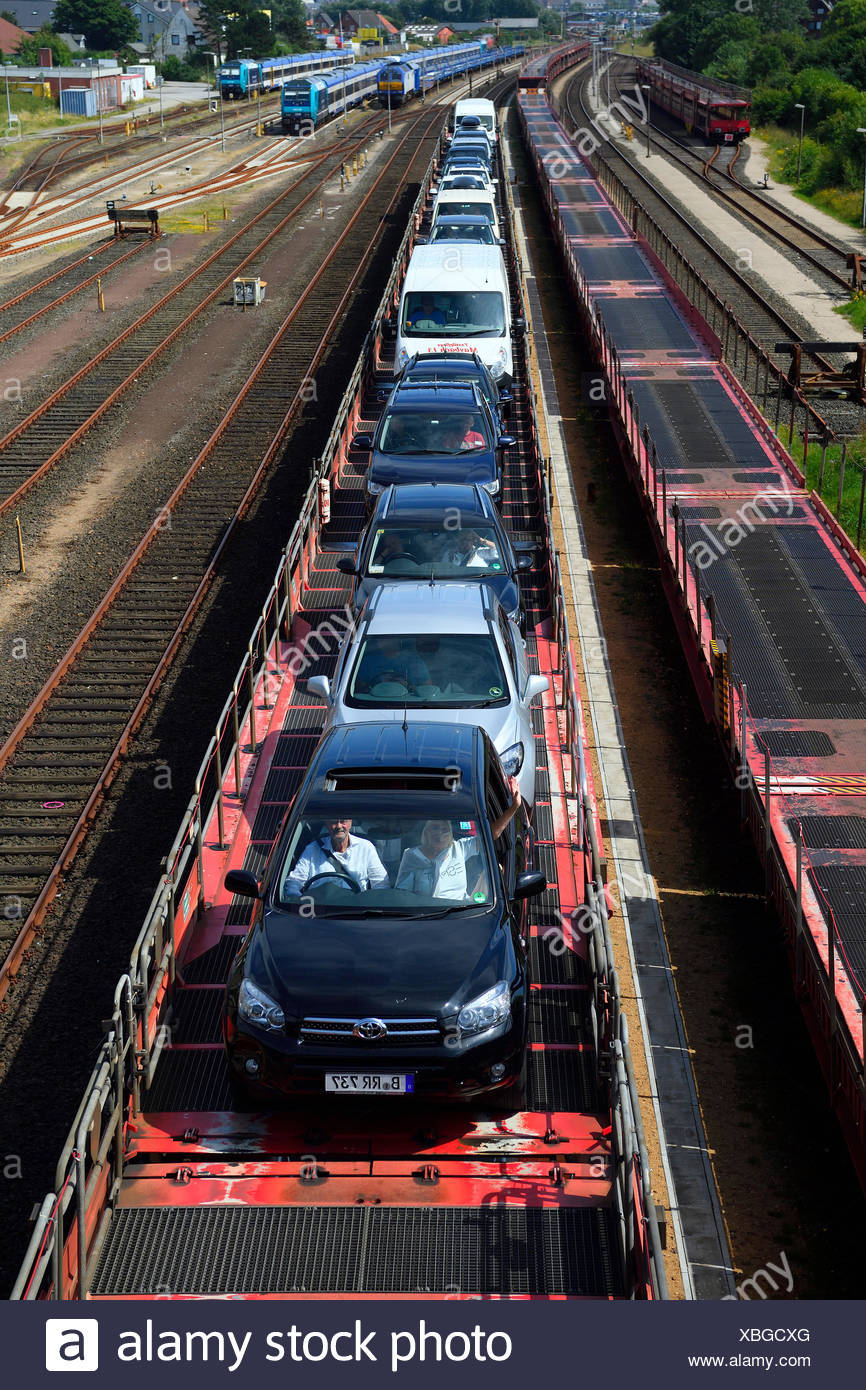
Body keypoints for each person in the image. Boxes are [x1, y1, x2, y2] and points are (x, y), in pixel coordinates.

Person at [395, 776, 522, 900]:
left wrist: (514, 807)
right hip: (424, 915)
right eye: (434, 828)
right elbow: (402, 894)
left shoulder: (459, 848)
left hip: (461, 912)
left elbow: (492, 834)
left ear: (450, 833)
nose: (439, 833)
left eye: (444, 829)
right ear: (426, 832)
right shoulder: (411, 856)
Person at [284, 817, 388, 896]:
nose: (339, 826)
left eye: (343, 821)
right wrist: (299, 905)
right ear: (327, 824)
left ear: (350, 823)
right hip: (318, 911)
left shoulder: (366, 847)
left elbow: (380, 883)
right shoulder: (312, 849)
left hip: (356, 911)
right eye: (333, 821)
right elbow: (295, 881)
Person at [356, 636, 430, 690]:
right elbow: (359, 689)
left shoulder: (414, 661)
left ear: (397, 640)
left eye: (385, 638)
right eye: (379, 639)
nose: (380, 641)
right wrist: (378, 685)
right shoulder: (368, 661)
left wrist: (408, 687)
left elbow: (428, 690)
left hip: (410, 702)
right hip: (374, 702)